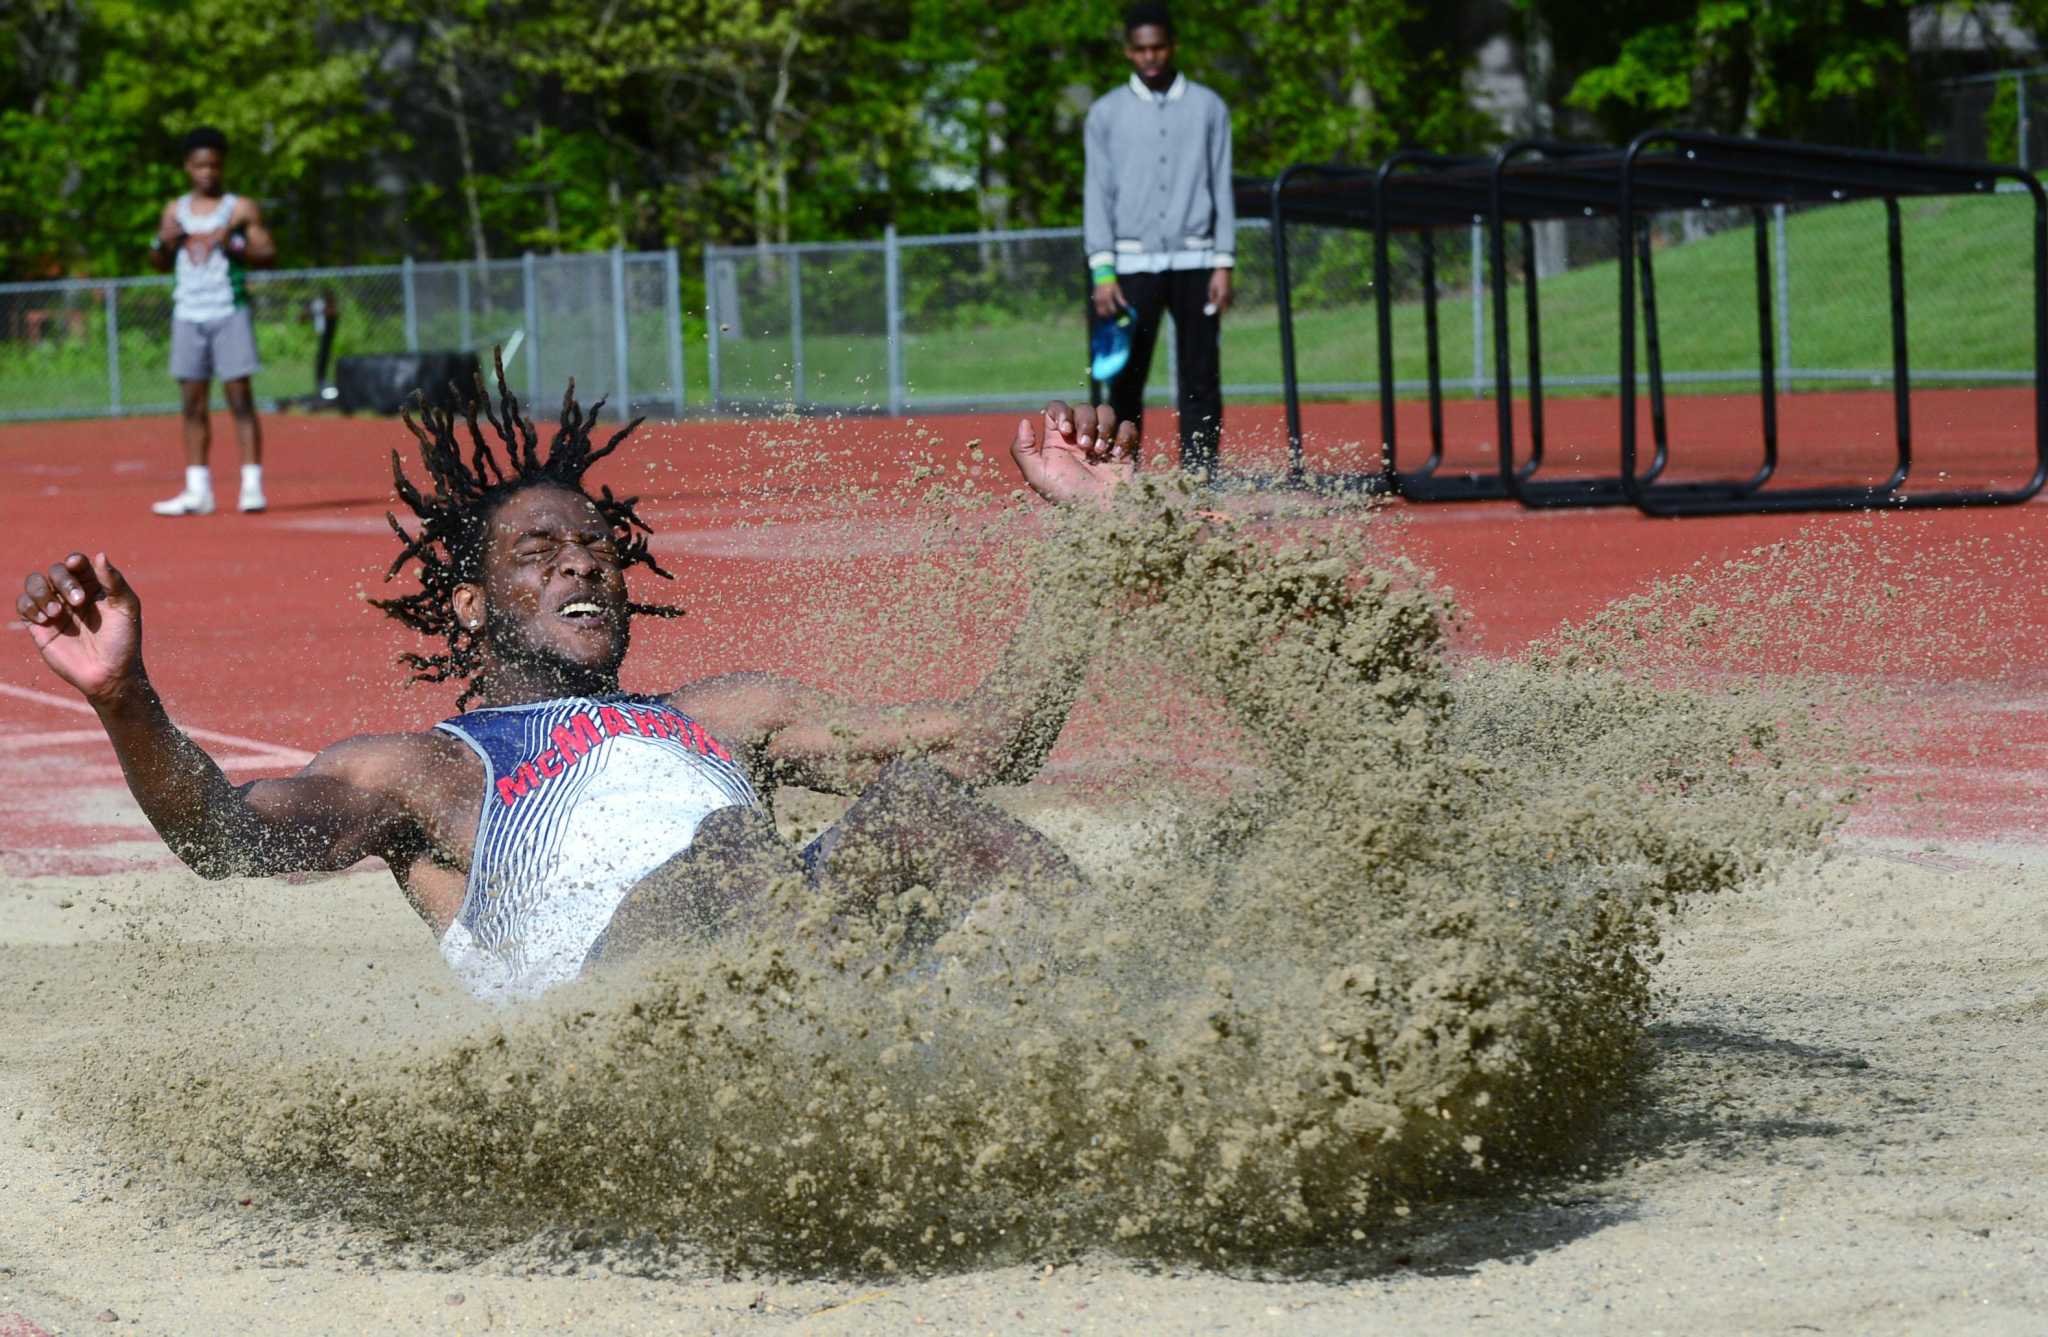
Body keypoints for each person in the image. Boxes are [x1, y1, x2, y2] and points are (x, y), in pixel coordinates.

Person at [16, 364, 1137, 1003]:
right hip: (621, 1023)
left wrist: (1088, 543)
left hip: (789, 976)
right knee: (733, 851)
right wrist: (127, 699)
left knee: (919, 809)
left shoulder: (721, 714)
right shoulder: (431, 767)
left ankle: (1159, 1019)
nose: (581, 561)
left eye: (598, 547)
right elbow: (227, 837)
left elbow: (993, 743)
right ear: (471, 604)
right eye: (539, 551)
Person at [1084, 2, 1234, 481]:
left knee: (1201, 379)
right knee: (1126, 380)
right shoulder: (1105, 113)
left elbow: (1221, 184)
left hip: (1197, 260)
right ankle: (1123, 480)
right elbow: (1097, 192)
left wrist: (1223, 261)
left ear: (1172, 46)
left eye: (1159, 47)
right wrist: (1102, 269)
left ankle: (1199, 480)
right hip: (1131, 266)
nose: (1150, 57)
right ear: (1129, 51)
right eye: (1141, 49)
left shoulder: (1209, 107)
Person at [147, 126, 277, 517]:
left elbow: (268, 252)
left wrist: (235, 242)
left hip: (228, 310)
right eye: (200, 165)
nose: (208, 172)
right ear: (188, 167)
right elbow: (157, 261)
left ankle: (251, 485)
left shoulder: (238, 208)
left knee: (239, 396)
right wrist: (162, 242)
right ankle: (197, 489)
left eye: (215, 165)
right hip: (188, 313)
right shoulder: (175, 210)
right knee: (192, 403)